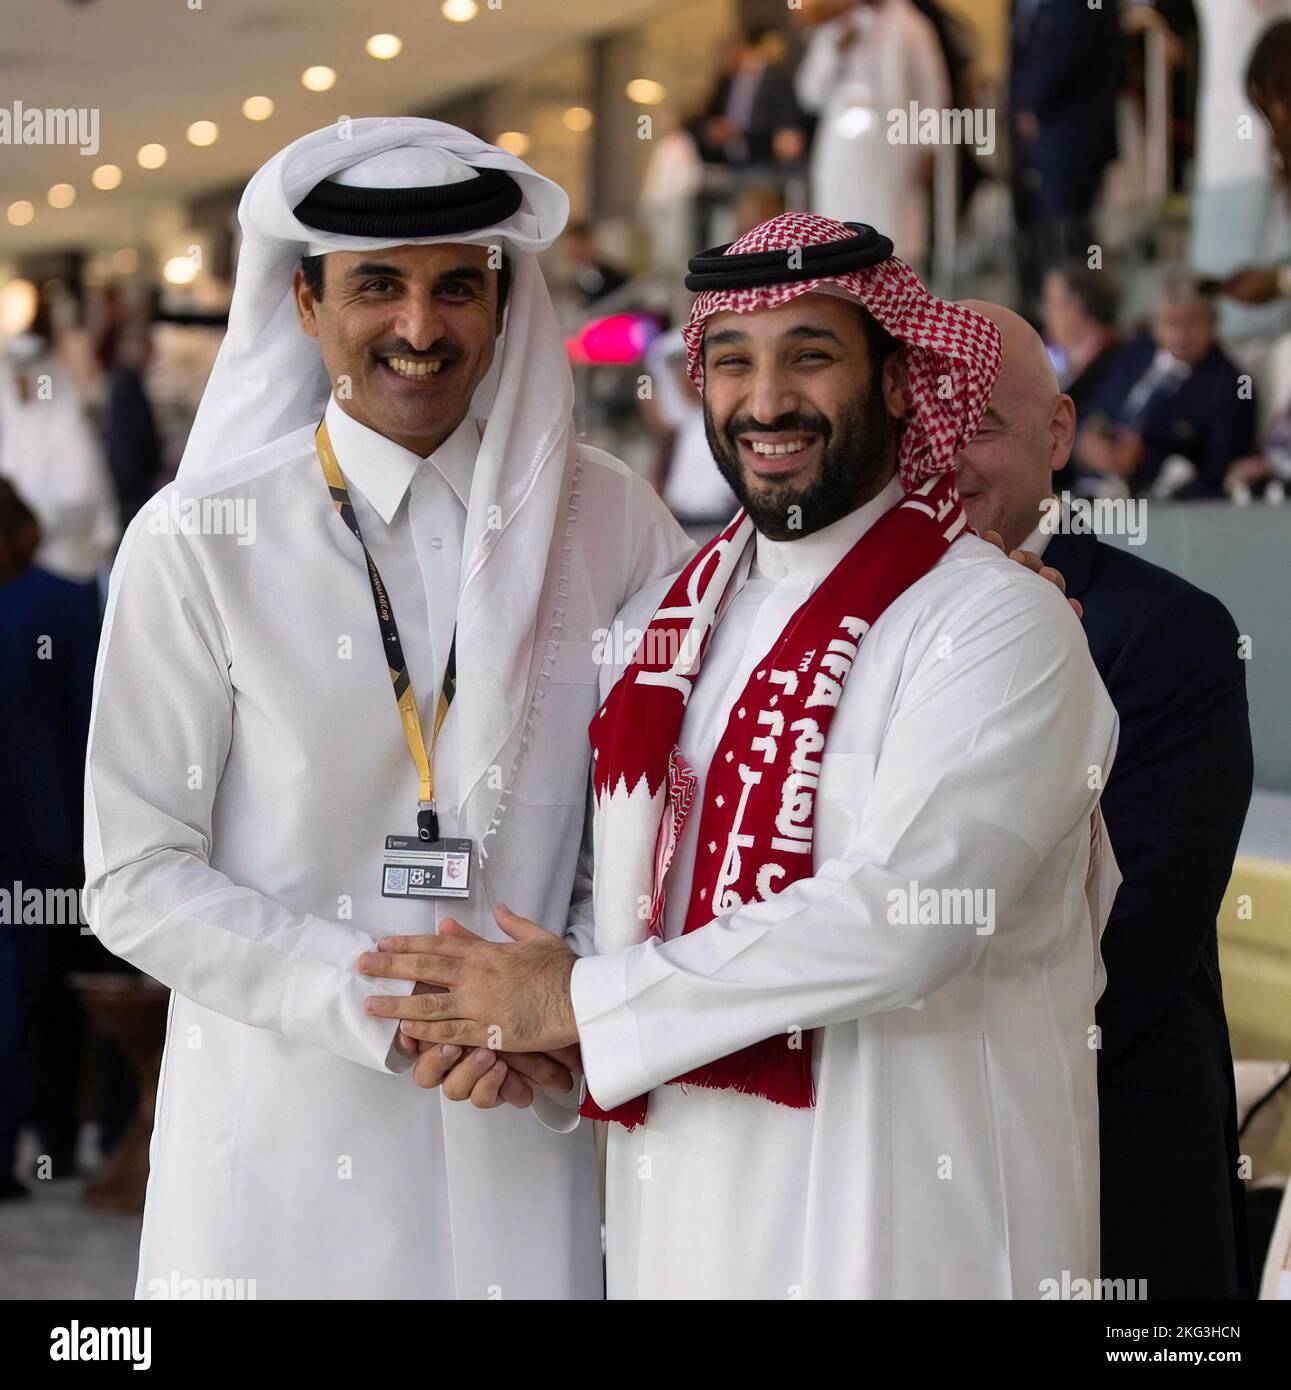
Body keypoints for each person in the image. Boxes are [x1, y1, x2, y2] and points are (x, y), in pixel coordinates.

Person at [362, 214, 1122, 1299]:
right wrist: (536, 1024)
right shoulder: (674, 619)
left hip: (914, 1228)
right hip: (685, 1224)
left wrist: (580, 1002)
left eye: (810, 355)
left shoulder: (994, 625)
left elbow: (906, 917)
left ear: (903, 380)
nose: (766, 403)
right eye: (732, 363)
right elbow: (623, 894)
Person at [83, 119, 692, 1299]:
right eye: (378, 288)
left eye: (457, 286)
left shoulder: (614, 523)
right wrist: (387, 1005)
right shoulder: (200, 541)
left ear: (504, 305)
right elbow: (134, 871)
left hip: (522, 1126)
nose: (420, 329)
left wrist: (567, 1001)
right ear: (305, 306)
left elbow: (662, 806)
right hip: (281, 1150)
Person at [954, 301, 1255, 1300]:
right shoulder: (864, 631)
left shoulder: (1167, 631)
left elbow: (1137, 937)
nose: (947, 458)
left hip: (1117, 1158)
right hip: (928, 1163)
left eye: (982, 428)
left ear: (1058, 433)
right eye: (924, 426)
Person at [1, 311, 118, 1191]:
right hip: (56, 842)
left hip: (35, 837)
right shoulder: (67, 605)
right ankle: (71, 1132)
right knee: (52, 1000)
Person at [1073, 273, 1256, 498]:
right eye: (1172, 322)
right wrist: (1087, 439)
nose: (1181, 334)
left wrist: (1140, 460)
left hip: (1150, 503)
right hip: (1084, 484)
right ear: (1156, 326)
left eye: (1192, 321)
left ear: (1213, 323)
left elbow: (1219, 472)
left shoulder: (1231, 387)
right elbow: (1097, 404)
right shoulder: (1137, 352)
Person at [795, 0, 950, 264]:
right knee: (838, 240)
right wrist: (835, 51)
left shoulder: (912, 25)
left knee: (897, 242)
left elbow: (932, 92)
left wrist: (930, 148)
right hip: (842, 152)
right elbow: (809, 94)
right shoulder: (836, 27)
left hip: (893, 151)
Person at [1009, 0, 1123, 314]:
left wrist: (1034, 104)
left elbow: (1072, 48)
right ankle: (1047, 321)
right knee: (1042, 242)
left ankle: (1081, 320)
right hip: (1037, 142)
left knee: (1072, 242)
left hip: (1071, 136)